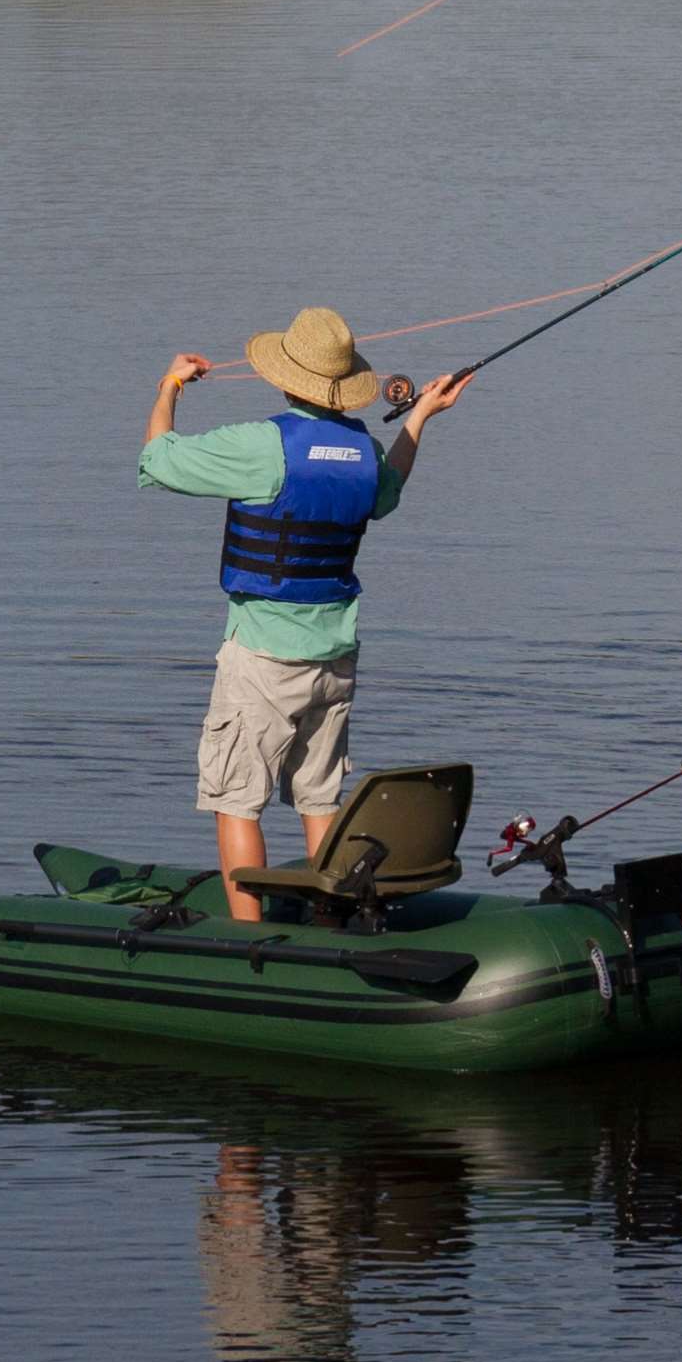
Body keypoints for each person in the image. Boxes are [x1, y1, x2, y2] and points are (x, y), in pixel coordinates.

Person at [140, 308, 473, 923]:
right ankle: (332, 925)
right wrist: (421, 415)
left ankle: (249, 943)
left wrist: (169, 386)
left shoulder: (262, 446)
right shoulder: (367, 451)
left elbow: (158, 460)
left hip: (263, 655)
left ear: (285, 378)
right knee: (319, 799)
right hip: (335, 656)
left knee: (237, 801)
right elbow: (387, 494)